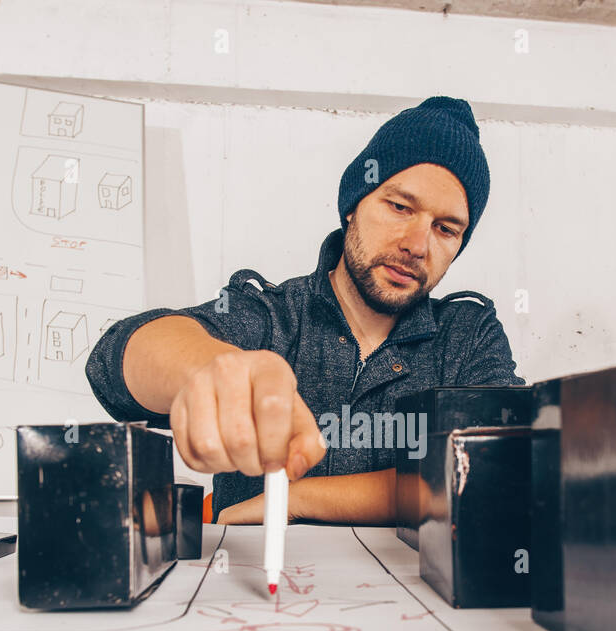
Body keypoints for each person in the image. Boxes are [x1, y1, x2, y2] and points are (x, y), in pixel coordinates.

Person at [85, 95, 523, 524]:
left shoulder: (467, 335)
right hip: (247, 590)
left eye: (445, 229)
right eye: (399, 206)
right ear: (353, 205)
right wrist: (210, 368)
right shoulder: (271, 314)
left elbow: (501, 465)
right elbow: (115, 361)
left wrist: (300, 498)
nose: (416, 244)